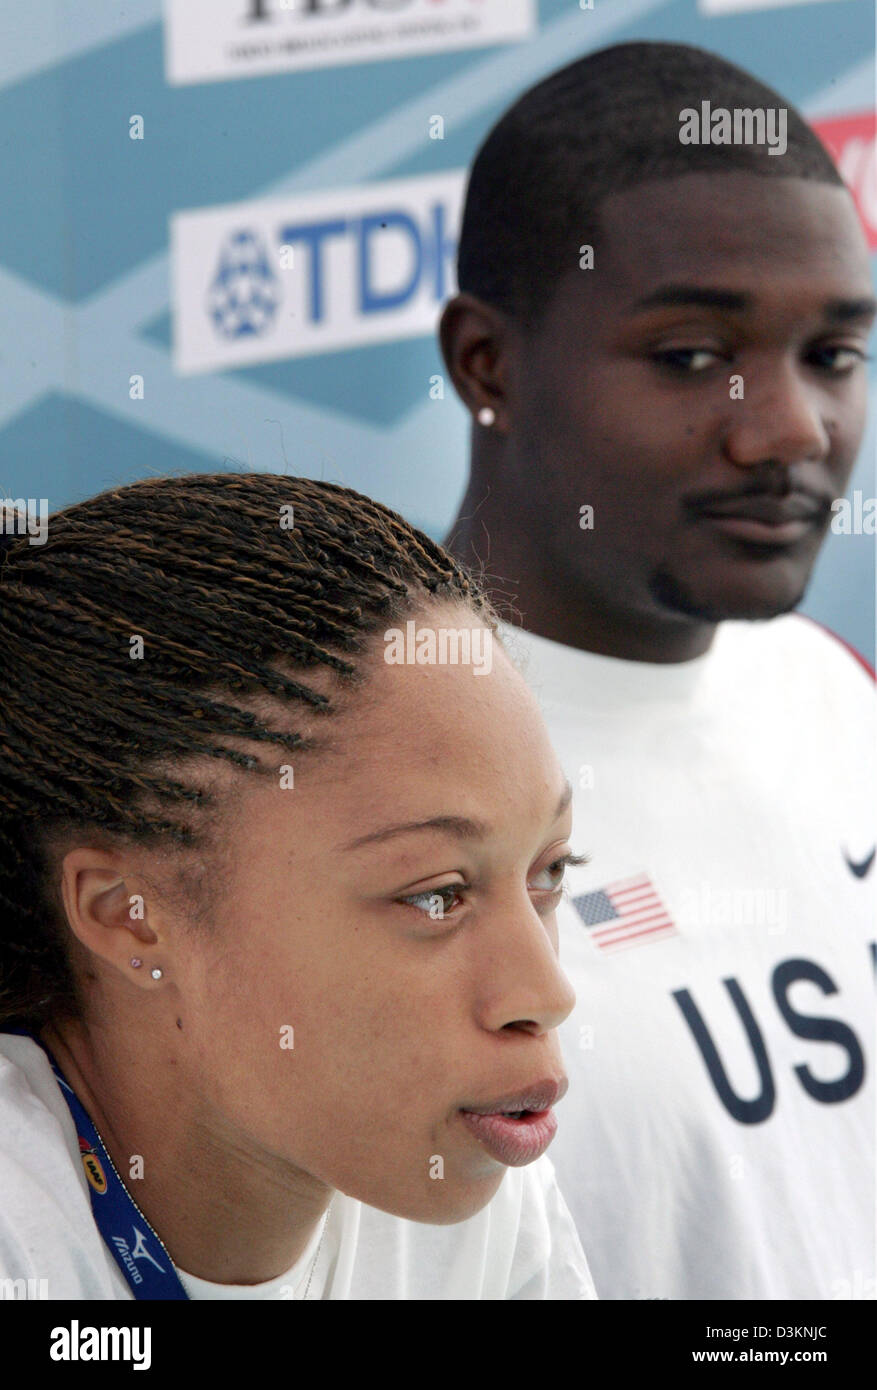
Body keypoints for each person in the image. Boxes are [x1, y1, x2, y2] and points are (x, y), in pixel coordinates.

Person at [439, 40, 876, 1300]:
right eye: (691, 357)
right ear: (490, 367)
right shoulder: (340, 777)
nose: (789, 428)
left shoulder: (832, 688)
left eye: (834, 356)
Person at [0, 472, 594, 1300]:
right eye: (434, 896)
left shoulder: (472, 1175)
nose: (546, 992)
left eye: (549, 873)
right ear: (127, 917)